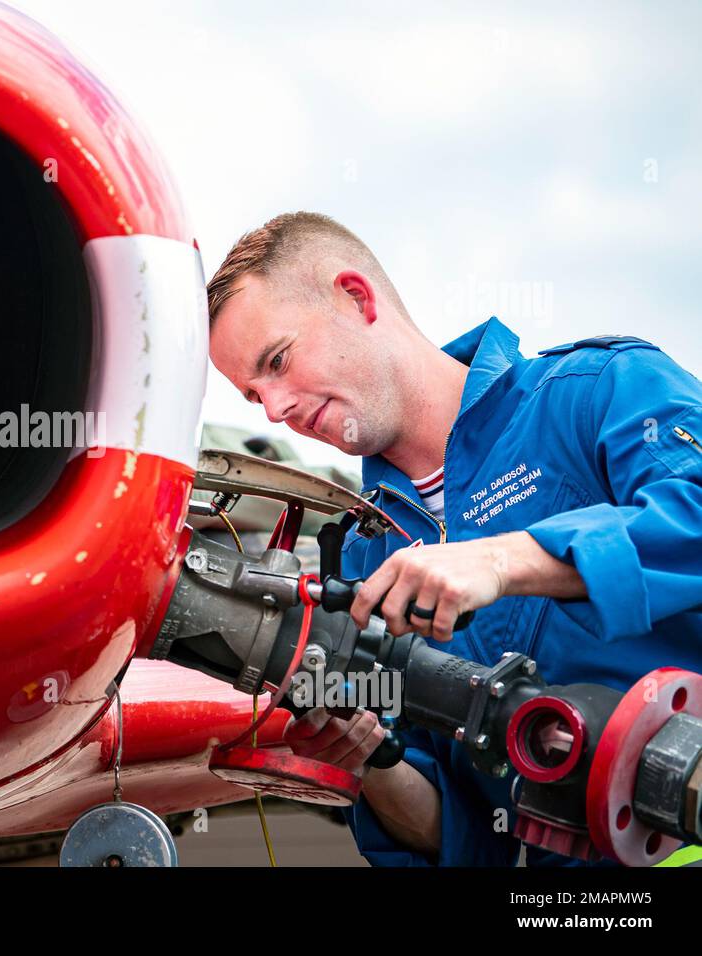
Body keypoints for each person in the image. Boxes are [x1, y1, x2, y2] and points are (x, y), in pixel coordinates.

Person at [205, 211, 702, 866]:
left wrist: (505, 560)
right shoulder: (360, 557)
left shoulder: (595, 392)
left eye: (278, 361)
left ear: (356, 297)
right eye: (251, 396)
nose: (274, 409)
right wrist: (371, 761)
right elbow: (458, 837)